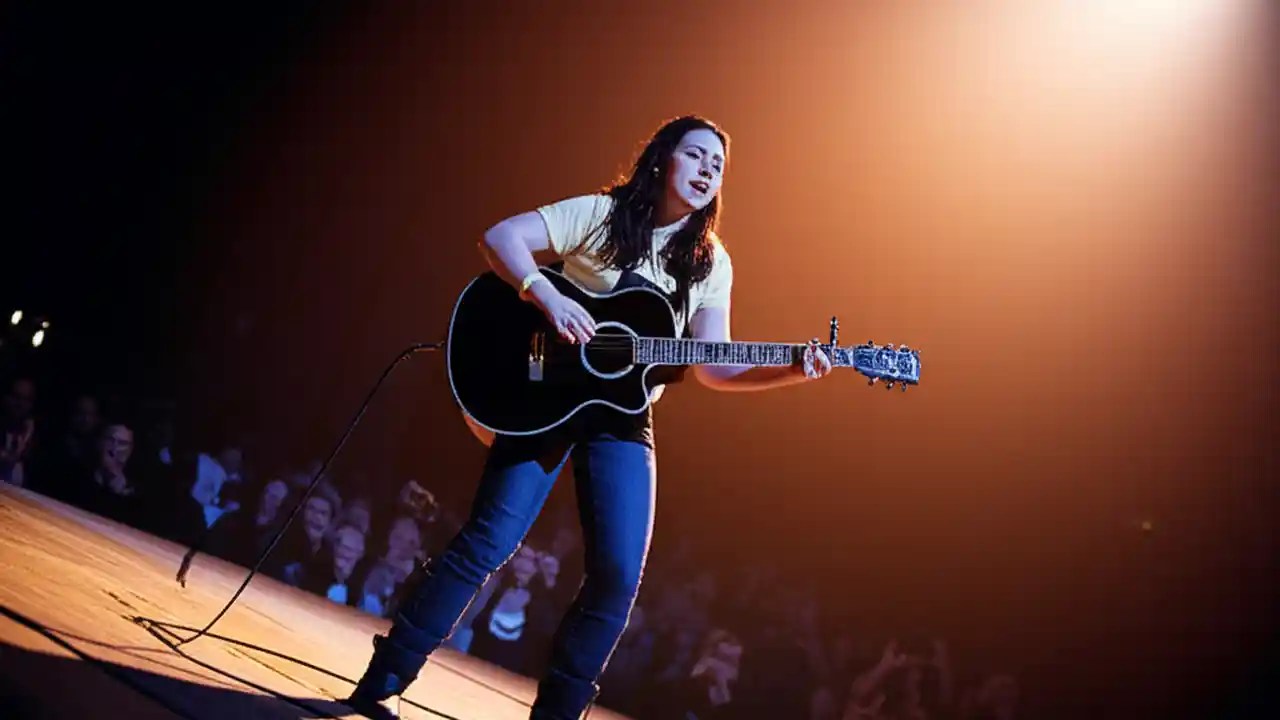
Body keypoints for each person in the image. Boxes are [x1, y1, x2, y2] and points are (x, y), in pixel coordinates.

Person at [343, 115, 833, 720]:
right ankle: (385, 677)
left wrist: (790, 368)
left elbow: (713, 364)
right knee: (488, 541)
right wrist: (548, 296)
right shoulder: (603, 215)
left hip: (622, 416)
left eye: (719, 166)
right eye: (697, 155)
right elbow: (501, 237)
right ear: (662, 158)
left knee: (619, 576)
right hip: (544, 395)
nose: (709, 170)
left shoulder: (710, 263)